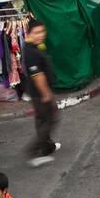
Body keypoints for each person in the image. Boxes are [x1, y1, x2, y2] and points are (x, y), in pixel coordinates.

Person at [22, 20, 61, 166]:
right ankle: (34, 152)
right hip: (40, 93)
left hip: (37, 92)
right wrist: (46, 94)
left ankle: (47, 147)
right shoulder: (31, 52)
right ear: (29, 33)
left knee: (42, 120)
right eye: (37, 33)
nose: (41, 35)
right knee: (50, 119)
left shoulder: (33, 45)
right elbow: (38, 76)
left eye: (42, 31)